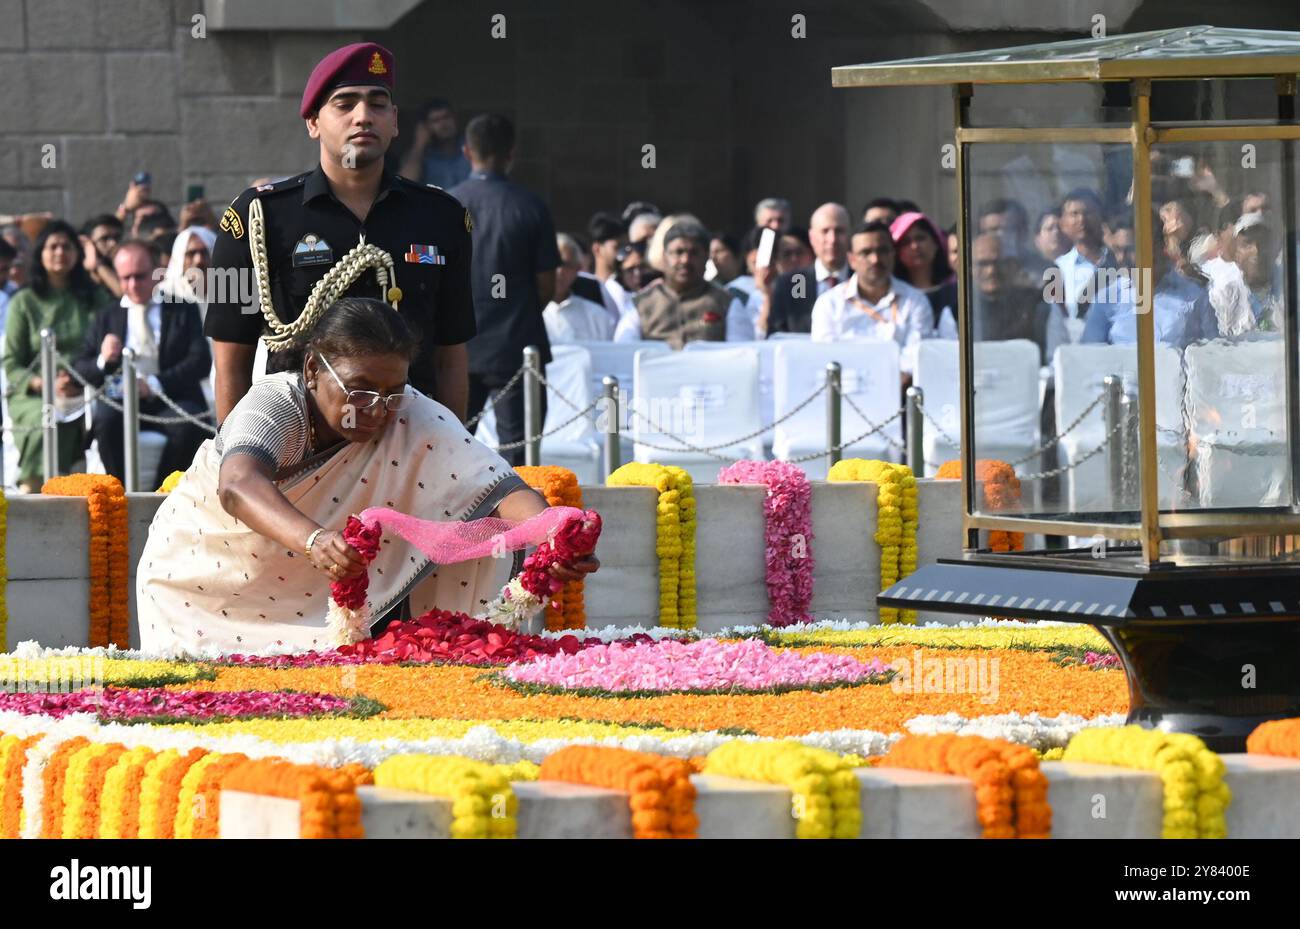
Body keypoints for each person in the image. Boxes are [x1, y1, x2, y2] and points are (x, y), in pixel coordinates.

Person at [136, 296, 599, 655]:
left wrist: (554, 534)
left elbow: (497, 486)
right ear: (314, 369)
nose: (377, 409)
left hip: (314, 607)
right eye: (359, 390)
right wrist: (316, 541)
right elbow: (238, 485)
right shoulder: (275, 404)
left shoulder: (410, 413)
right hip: (197, 584)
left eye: (391, 392)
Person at [204, 42, 476, 428]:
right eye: (345, 104)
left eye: (377, 104)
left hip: (410, 435)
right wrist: (234, 459)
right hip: (298, 440)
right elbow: (231, 359)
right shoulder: (255, 217)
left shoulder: (442, 216)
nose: (363, 116)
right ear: (313, 122)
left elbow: (451, 356)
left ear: (395, 121)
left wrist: (451, 452)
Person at [450, 113, 561, 466]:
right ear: (511, 153)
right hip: (517, 342)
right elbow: (547, 284)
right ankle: (521, 520)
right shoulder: (530, 205)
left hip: (458, 345)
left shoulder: (446, 203)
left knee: (451, 448)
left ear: (467, 152)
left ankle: (454, 519)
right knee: (520, 453)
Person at [72, 240, 211, 487]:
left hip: (172, 396)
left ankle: (161, 495)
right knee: (105, 421)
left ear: (157, 273)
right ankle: (121, 492)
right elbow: (80, 367)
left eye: (140, 276)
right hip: (122, 399)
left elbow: (200, 360)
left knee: (189, 426)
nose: (133, 285)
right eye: (125, 278)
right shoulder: (107, 316)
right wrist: (104, 359)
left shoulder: (181, 309)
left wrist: (155, 384)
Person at [3, 221, 108, 491]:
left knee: (79, 417)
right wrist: (45, 384)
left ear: (77, 253)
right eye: (53, 246)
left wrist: (77, 382)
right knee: (46, 418)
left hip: (86, 388)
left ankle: (65, 486)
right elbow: (12, 362)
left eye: (66, 246)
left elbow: (127, 305)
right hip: (34, 392)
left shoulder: (93, 297)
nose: (60, 252)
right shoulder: (24, 301)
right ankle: (35, 487)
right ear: (40, 253)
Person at [810, 221, 934, 381]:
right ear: (852, 259)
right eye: (866, 252)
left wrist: (888, 386)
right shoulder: (829, 304)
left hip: (900, 395)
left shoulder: (915, 301)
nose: (875, 259)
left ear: (893, 254)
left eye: (882, 251)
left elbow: (916, 354)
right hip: (845, 393)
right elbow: (825, 357)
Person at [615, 222, 753, 347]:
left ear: (706, 257)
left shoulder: (728, 304)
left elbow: (741, 356)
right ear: (664, 257)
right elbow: (624, 354)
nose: (685, 260)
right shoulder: (639, 306)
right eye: (678, 252)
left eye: (694, 253)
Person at [969, 232, 1063, 365]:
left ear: (1012, 265)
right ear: (970, 268)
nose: (991, 271)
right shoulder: (958, 310)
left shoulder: (1040, 307)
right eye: (983, 264)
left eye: (998, 263)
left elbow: (1057, 362)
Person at [766, 203, 850, 335]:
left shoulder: (864, 280)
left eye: (839, 231)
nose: (832, 239)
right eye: (825, 231)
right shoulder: (794, 282)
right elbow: (777, 335)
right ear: (812, 237)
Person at [1050, 188, 1109, 343]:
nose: (1081, 219)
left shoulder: (1117, 263)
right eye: (1074, 214)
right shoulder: (1058, 268)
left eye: (1088, 213)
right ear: (1062, 223)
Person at [890, 211, 957, 339]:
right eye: (906, 242)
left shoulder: (956, 290)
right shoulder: (892, 295)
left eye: (920, 238)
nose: (915, 246)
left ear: (936, 242)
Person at [544, 234, 614, 343]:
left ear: (578, 269)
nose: (559, 272)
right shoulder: (526, 314)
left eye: (566, 265)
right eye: (553, 263)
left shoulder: (598, 317)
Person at [398, 98, 472, 191]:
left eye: (447, 117)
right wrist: (419, 145)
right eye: (436, 120)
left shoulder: (472, 146)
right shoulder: (419, 156)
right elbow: (404, 185)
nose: (443, 124)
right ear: (425, 127)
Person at [80, 214, 125, 299]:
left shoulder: (128, 266)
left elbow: (124, 294)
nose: (113, 243)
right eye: (104, 239)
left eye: (117, 237)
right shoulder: (79, 269)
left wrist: (97, 264)